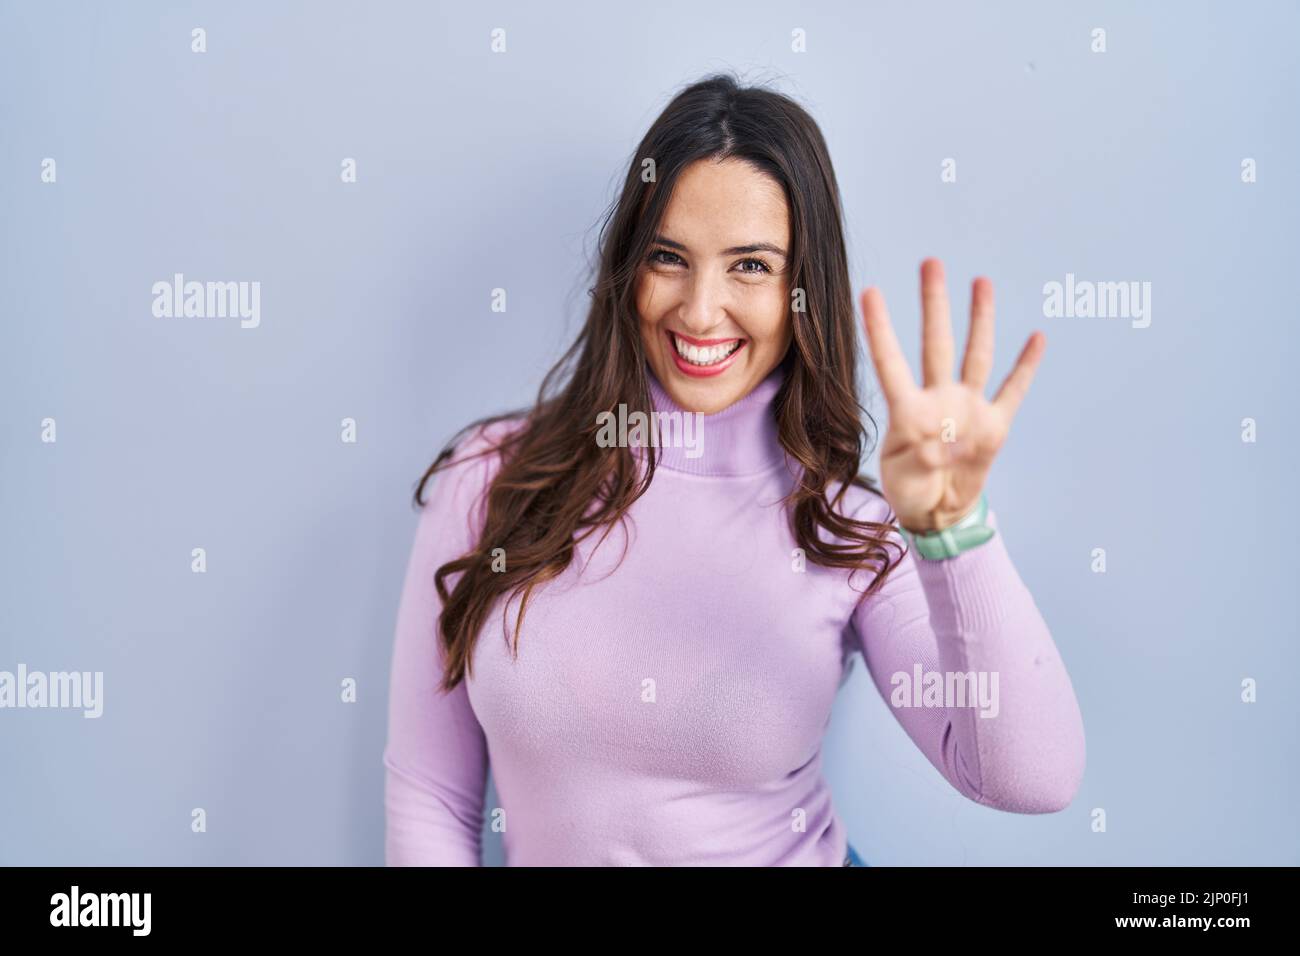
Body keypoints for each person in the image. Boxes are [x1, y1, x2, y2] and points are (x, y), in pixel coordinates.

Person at [383, 73, 1086, 867]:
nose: (699, 310)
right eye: (668, 257)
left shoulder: (849, 530)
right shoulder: (493, 480)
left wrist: (955, 530)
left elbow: (1032, 778)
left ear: (801, 289)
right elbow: (429, 796)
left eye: (750, 266)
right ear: (628, 266)